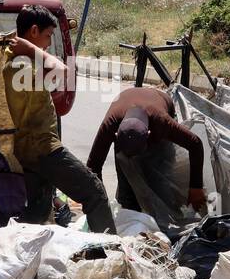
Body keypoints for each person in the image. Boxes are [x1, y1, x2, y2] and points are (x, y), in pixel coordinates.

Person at [3, 4, 116, 233]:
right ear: (33, 31)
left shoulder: (14, 60)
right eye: (47, 36)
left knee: (38, 212)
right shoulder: (22, 63)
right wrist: (30, 48)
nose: (47, 43)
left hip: (27, 149)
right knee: (94, 192)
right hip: (43, 148)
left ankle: (22, 258)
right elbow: (64, 71)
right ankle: (112, 253)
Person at [86, 86, 207, 217]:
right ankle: (133, 218)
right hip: (126, 104)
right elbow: (94, 166)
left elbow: (195, 143)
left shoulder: (162, 123)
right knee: (127, 191)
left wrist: (196, 187)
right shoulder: (110, 125)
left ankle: (162, 219)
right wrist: (98, 202)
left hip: (157, 108)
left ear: (149, 134)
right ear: (116, 134)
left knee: (160, 183)